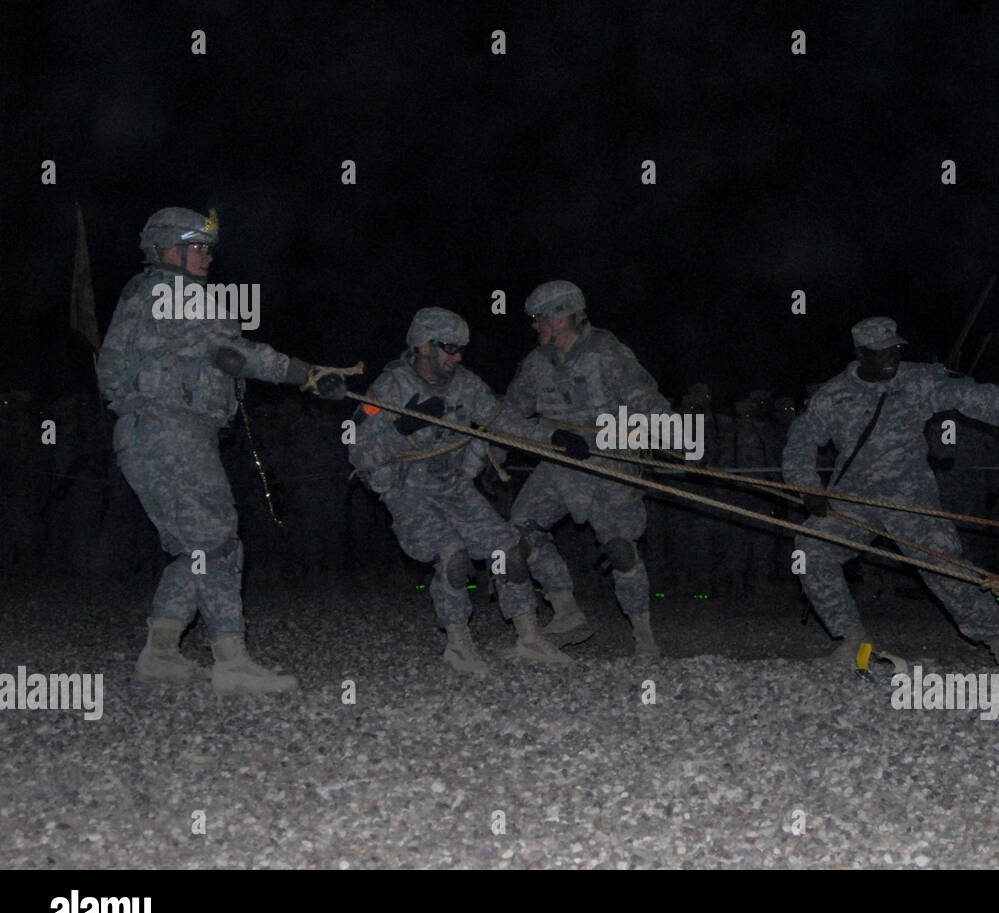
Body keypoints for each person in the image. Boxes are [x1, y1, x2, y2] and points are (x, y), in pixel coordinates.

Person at [98, 207, 347, 693]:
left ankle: (161, 654)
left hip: (152, 433)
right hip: (170, 431)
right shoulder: (173, 294)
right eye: (200, 247)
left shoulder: (148, 295)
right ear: (171, 249)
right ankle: (231, 660)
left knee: (194, 547)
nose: (208, 257)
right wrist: (305, 374)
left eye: (210, 248)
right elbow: (231, 354)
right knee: (217, 542)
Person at [782, 316, 999, 669]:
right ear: (861, 354)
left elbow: (969, 395)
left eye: (895, 349)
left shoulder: (917, 381)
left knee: (944, 566)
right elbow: (800, 442)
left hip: (910, 498)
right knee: (811, 549)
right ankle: (852, 641)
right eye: (881, 353)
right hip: (853, 501)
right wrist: (807, 487)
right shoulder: (833, 396)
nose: (891, 358)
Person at [348, 308, 577, 671]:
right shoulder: (388, 388)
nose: (457, 357)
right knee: (451, 554)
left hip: (452, 485)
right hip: (407, 487)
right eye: (450, 348)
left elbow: (501, 421)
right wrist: (399, 427)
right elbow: (355, 444)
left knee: (508, 549)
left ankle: (529, 638)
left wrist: (555, 439)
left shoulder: (466, 385)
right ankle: (457, 644)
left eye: (460, 350)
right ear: (424, 345)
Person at [506, 281, 671, 655]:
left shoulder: (607, 354)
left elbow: (650, 405)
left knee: (620, 549)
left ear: (562, 317)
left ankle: (644, 636)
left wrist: (649, 436)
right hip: (559, 466)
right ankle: (565, 611)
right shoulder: (536, 364)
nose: (535, 326)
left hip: (607, 467)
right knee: (520, 530)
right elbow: (508, 415)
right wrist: (492, 454)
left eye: (539, 319)